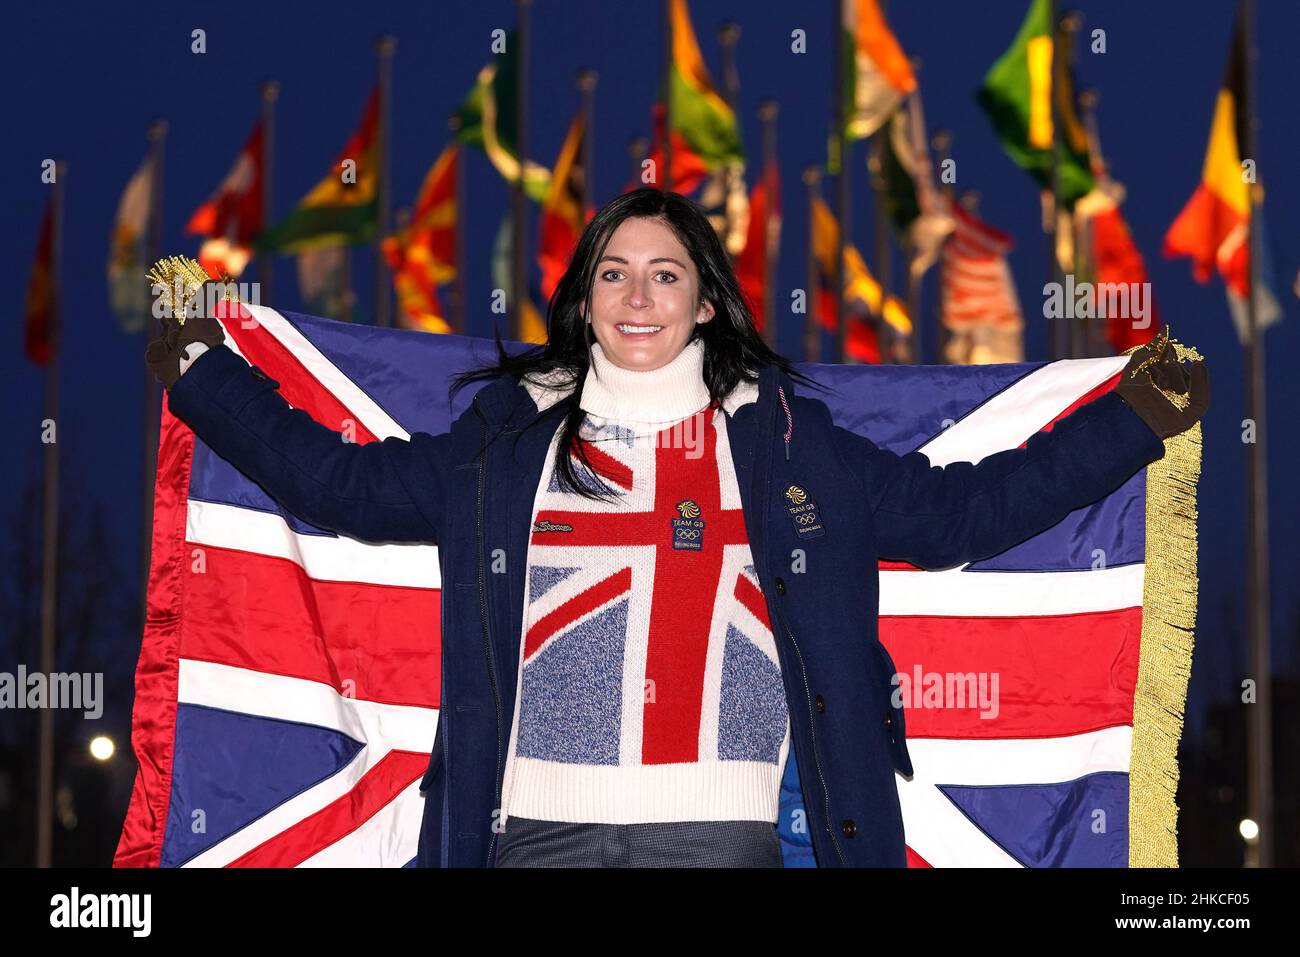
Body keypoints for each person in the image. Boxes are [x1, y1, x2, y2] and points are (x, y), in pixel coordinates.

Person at [146, 187, 1208, 868]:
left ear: (705, 301)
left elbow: (965, 514)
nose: (638, 295)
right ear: (586, 297)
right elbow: (337, 486)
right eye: (614, 272)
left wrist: (1132, 422)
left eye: (665, 274)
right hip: (524, 841)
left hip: (724, 841)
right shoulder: (501, 448)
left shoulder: (796, 451)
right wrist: (203, 376)